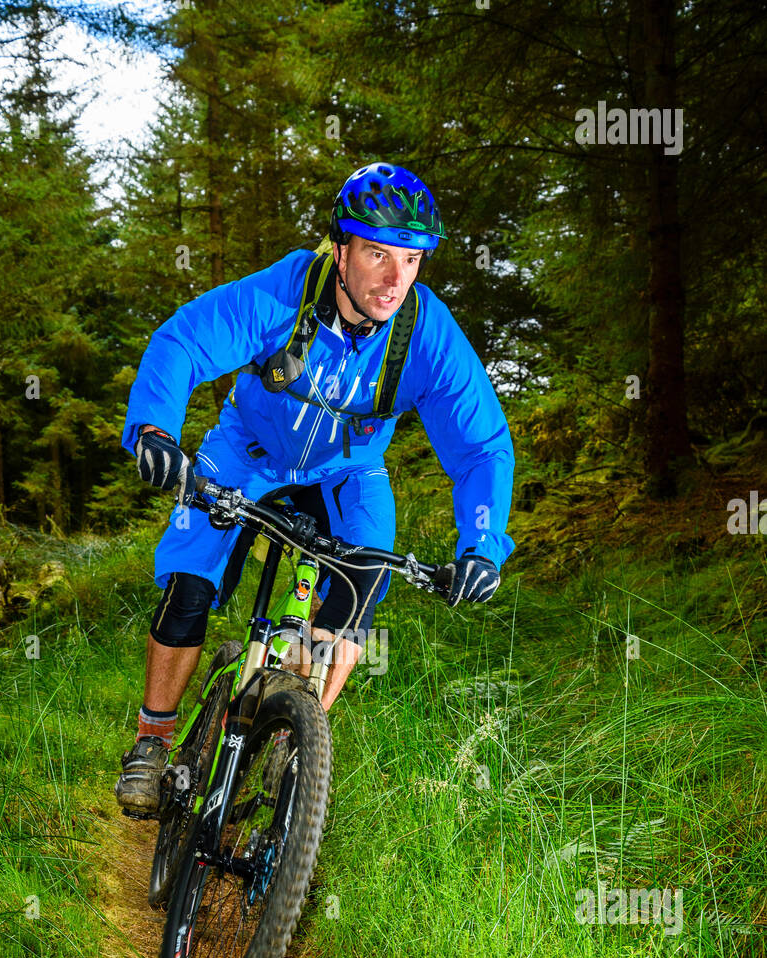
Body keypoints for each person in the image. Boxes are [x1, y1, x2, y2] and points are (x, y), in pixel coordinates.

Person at [115, 161, 515, 816]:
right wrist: (155, 431)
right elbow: (184, 341)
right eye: (378, 256)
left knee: (359, 589)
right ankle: (151, 741)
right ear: (341, 248)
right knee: (189, 582)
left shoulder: (425, 333)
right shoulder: (284, 290)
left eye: (411, 261)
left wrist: (481, 546)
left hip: (347, 473)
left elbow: (480, 449)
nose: (394, 280)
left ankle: (296, 739)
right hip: (247, 452)